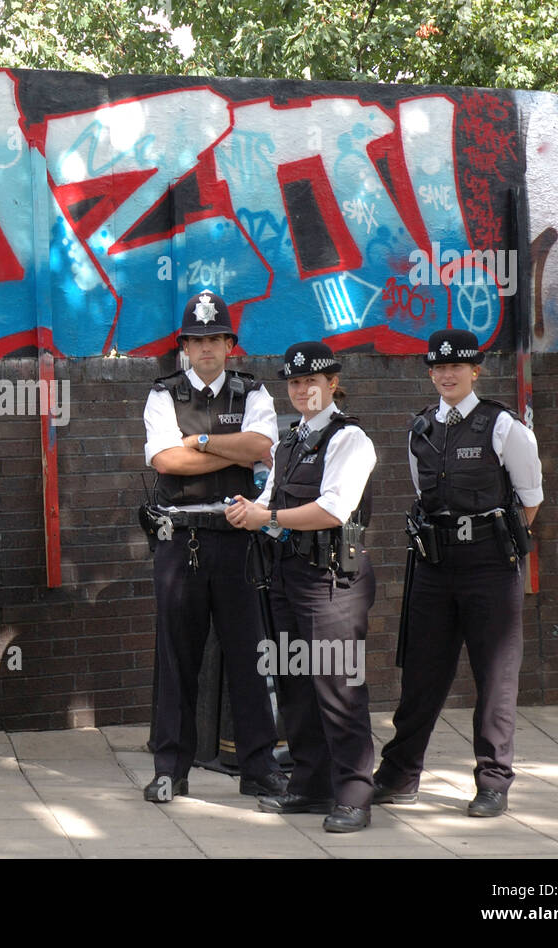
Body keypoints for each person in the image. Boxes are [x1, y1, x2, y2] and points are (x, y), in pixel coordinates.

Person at [373, 329, 542, 817]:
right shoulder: (420, 429)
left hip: (490, 567)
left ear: (475, 370)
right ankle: (400, 775)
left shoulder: (504, 426)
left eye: (457, 367)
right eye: (439, 368)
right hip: (434, 566)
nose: (447, 374)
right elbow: (427, 498)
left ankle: (493, 781)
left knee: (495, 679)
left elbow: (530, 501)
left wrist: (488, 544)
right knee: (421, 676)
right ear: (430, 372)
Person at [140, 289, 288, 804]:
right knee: (177, 659)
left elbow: (263, 449)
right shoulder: (164, 394)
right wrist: (231, 456)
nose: (205, 348)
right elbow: (164, 462)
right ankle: (170, 769)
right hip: (180, 541)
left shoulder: (254, 393)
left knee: (250, 659)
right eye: (196, 340)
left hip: (238, 538)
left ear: (230, 344)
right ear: (185, 345)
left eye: (214, 339)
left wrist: (198, 442)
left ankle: (259, 769)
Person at [226, 341, 378, 833]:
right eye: (294, 382)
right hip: (288, 576)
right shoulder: (289, 442)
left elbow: (334, 509)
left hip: (332, 579)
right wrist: (248, 513)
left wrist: (266, 515)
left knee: (338, 686)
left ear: (332, 383)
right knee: (295, 684)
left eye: (312, 381)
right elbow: (270, 503)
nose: (303, 390)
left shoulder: (349, 438)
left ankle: (354, 793)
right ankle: (312, 785)